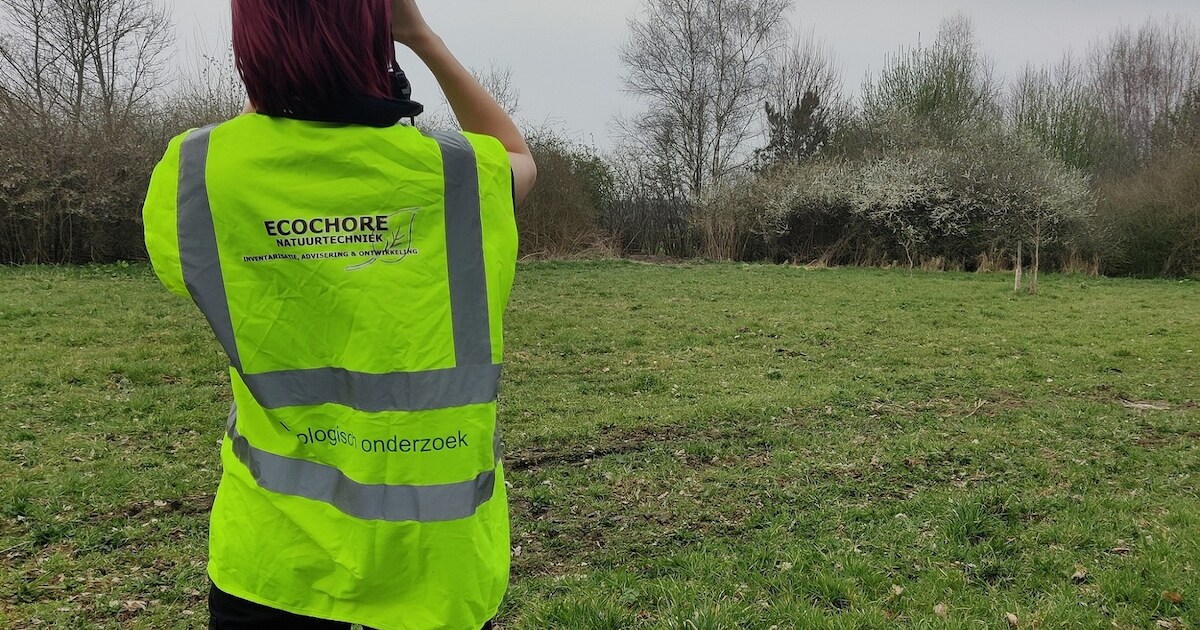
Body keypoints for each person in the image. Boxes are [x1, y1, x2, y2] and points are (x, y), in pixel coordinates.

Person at [142, 0, 535, 628]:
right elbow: (517, 155)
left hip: (272, 564)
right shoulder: (459, 172)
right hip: (436, 570)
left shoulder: (199, 172)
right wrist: (419, 36)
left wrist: (274, 79)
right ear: (376, 33)